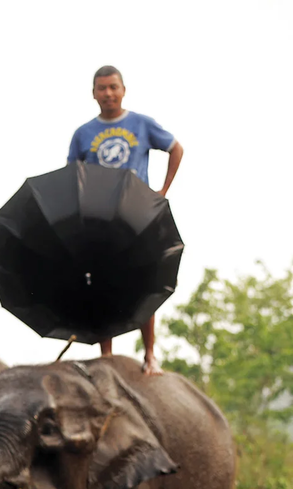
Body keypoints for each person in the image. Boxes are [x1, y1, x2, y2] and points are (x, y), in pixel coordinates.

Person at [67, 65, 184, 376]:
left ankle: (149, 355)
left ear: (123, 89)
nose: (108, 94)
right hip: (100, 219)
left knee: (144, 281)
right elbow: (71, 176)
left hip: (137, 214)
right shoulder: (83, 134)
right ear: (94, 93)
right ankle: (107, 356)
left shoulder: (141, 124)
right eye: (102, 88)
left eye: (113, 87)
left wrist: (162, 190)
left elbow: (175, 148)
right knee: (102, 283)